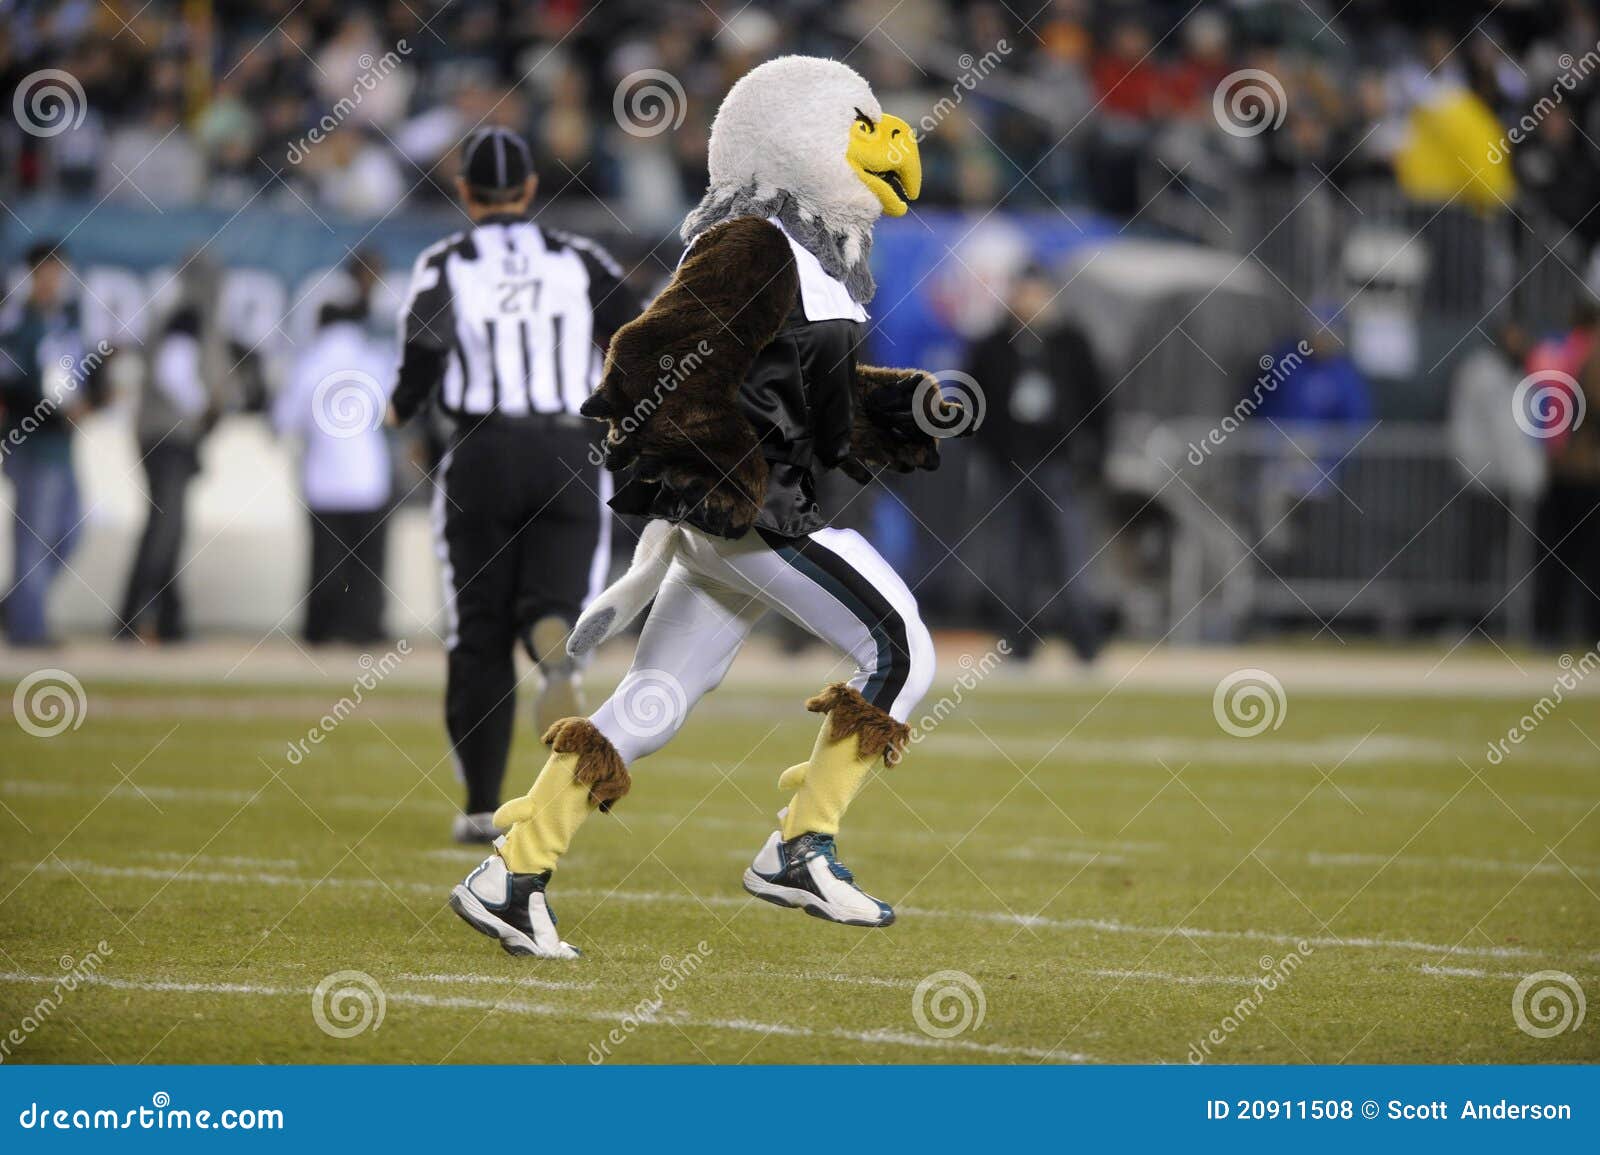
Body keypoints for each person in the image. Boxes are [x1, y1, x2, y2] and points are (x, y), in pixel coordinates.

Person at [448, 56, 963, 959]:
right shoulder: (755, 242)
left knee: (653, 701)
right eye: (853, 123)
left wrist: (897, 403)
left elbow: (795, 394)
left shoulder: (812, 254)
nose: (882, 139)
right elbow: (646, 359)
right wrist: (720, 473)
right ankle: (800, 847)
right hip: (758, 517)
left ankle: (511, 874)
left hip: (742, 517)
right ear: (793, 136)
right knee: (903, 648)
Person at [388, 127, 642, 844]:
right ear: (529, 189)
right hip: (567, 449)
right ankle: (548, 631)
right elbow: (638, 332)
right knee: (555, 603)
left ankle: (480, 806)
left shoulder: (447, 261)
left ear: (465, 192)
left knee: (477, 635)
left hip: (482, 450)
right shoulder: (577, 256)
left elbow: (424, 351)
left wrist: (401, 410)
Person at [964, 265, 1108, 664]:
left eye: (1036, 293)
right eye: (1022, 293)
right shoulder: (992, 344)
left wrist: (1094, 457)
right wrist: (986, 448)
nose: (1029, 303)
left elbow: (1098, 402)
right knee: (1010, 558)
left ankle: (1084, 640)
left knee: (1070, 554)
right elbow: (970, 401)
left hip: (1058, 464)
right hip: (1007, 466)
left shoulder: (1071, 342)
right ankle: (1019, 642)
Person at [274, 299, 395, 646]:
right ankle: (365, 628)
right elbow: (395, 411)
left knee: (325, 560)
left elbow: (284, 421)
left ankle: (321, 631)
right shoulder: (374, 359)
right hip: (368, 476)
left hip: (322, 477)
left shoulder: (308, 362)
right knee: (367, 564)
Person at [0, 243, 100, 647]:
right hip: (32, 443)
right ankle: (28, 628)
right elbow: (12, 383)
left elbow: (76, 374)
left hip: (62, 446)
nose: (54, 281)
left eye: (59, 273)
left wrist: (87, 401)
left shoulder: (66, 321)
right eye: (47, 272)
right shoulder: (17, 322)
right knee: (34, 538)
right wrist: (55, 409)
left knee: (71, 530)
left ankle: (16, 607)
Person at [116, 264, 221, 643]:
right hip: (169, 438)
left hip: (162, 436)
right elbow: (174, 372)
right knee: (165, 530)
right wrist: (204, 409)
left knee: (168, 529)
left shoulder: (176, 314)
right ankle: (133, 618)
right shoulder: (186, 315)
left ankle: (169, 621)